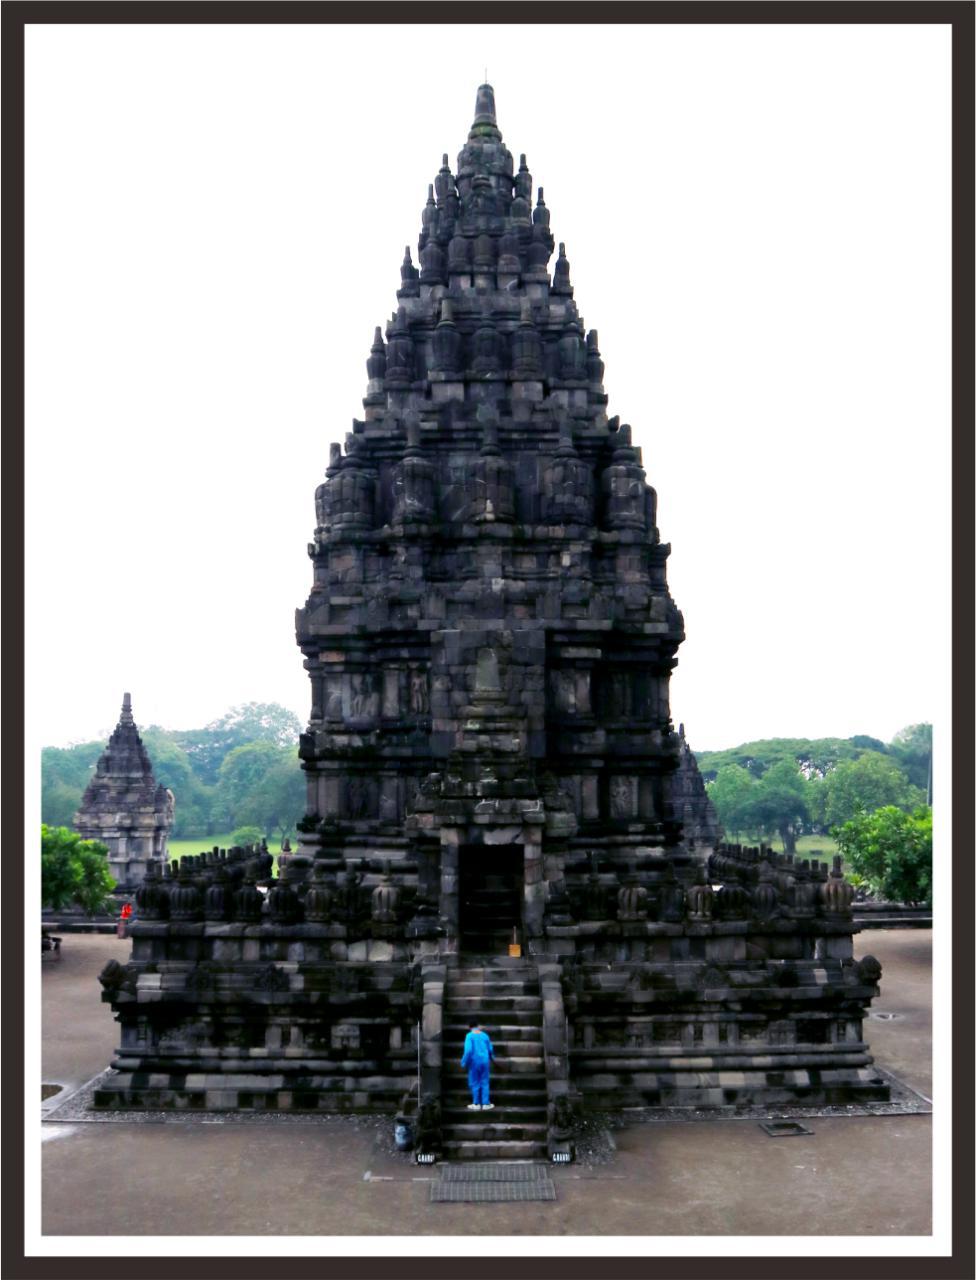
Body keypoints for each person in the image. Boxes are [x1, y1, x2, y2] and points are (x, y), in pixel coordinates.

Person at [460, 1021, 495, 1110]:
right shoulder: (485, 1035)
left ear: (470, 1027)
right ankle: (486, 1103)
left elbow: (468, 1050)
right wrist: (492, 1058)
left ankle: (476, 1103)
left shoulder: (469, 1036)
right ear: (478, 1026)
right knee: (485, 1081)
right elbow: (490, 1049)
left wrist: (464, 1062)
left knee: (475, 1082)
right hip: (485, 1061)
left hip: (474, 1062)